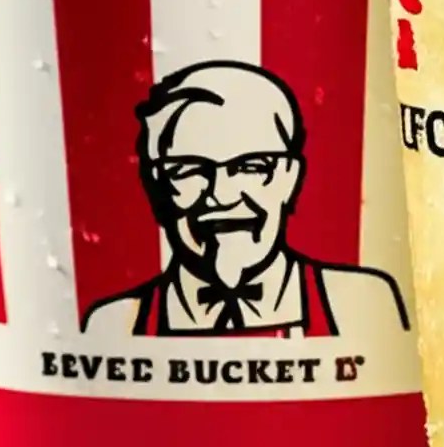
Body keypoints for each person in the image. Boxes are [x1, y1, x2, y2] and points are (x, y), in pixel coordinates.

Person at [82, 60, 410, 337]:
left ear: (289, 178)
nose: (222, 195)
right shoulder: (115, 322)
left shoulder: (361, 303)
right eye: (189, 170)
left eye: (251, 167)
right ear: (157, 184)